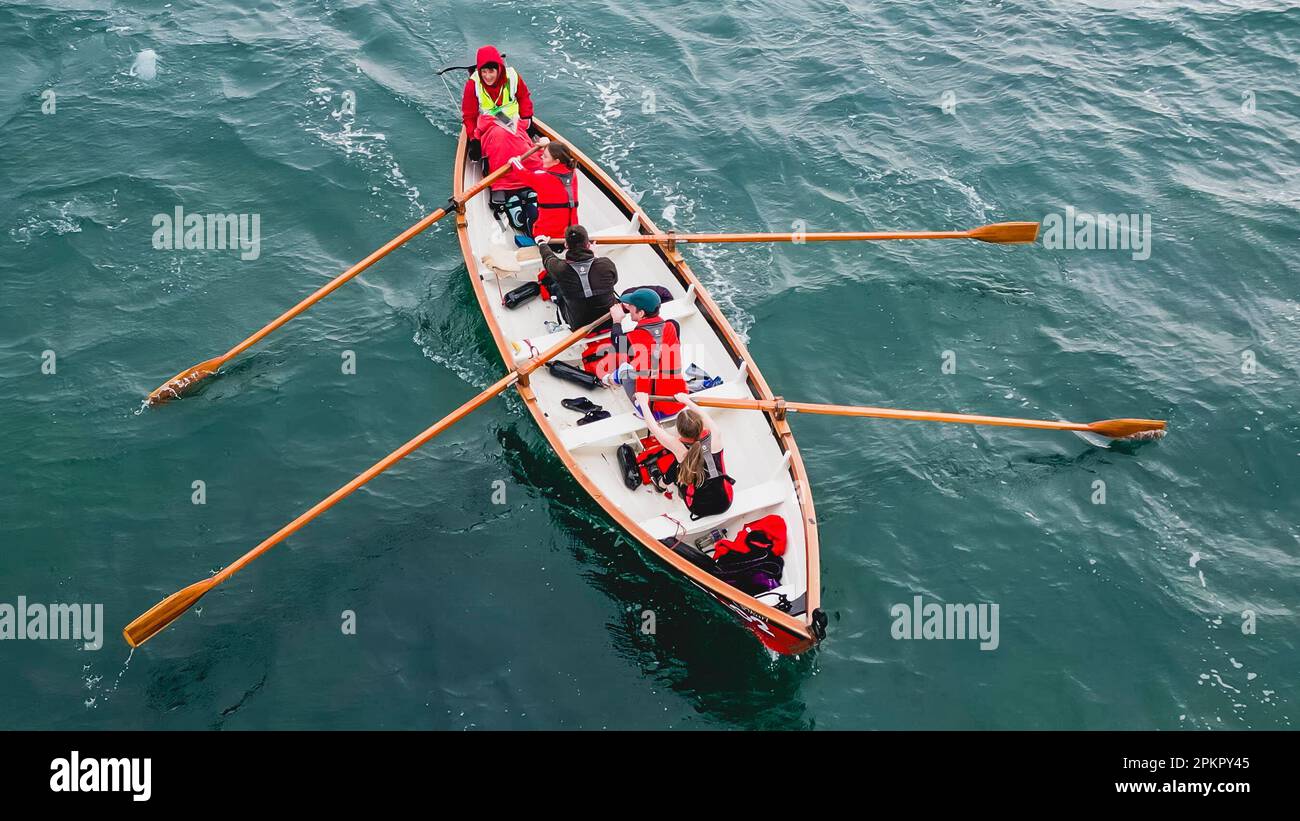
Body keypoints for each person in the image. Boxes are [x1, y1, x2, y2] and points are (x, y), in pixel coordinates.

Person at [635, 391, 735, 519]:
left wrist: (643, 403)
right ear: (701, 425)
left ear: (679, 431)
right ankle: (662, 484)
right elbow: (704, 415)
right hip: (726, 501)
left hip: (697, 507)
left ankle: (662, 484)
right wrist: (686, 400)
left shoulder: (678, 447)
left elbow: (653, 427)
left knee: (678, 463)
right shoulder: (716, 435)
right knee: (682, 461)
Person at [604, 288, 687, 418]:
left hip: (651, 411)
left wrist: (617, 321)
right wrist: (632, 307)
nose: (629, 307)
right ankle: (610, 379)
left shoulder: (632, 339)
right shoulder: (672, 326)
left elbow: (616, 339)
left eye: (632, 306)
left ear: (641, 312)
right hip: (679, 402)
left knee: (624, 369)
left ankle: (609, 380)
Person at [534, 225, 617, 330]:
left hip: (579, 327)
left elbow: (548, 257)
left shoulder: (558, 269)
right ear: (587, 245)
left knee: (556, 287)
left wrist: (541, 242)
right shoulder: (606, 264)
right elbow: (614, 281)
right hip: (611, 319)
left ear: (566, 245)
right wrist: (594, 256)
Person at [461, 46, 534, 162]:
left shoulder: (512, 76)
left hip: (514, 122)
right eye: (483, 72)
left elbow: (523, 97)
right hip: (490, 127)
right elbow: (469, 115)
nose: (487, 76)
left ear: (499, 69)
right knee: (501, 137)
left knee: (519, 144)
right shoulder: (473, 84)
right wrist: (474, 140)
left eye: (491, 71)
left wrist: (528, 118)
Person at [523, 139, 579, 242]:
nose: (541, 157)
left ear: (556, 161)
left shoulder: (542, 178)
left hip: (546, 236)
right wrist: (547, 147)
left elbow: (522, 174)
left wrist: (514, 161)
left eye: (545, 156)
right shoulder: (572, 172)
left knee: (529, 208)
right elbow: (551, 167)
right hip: (570, 234)